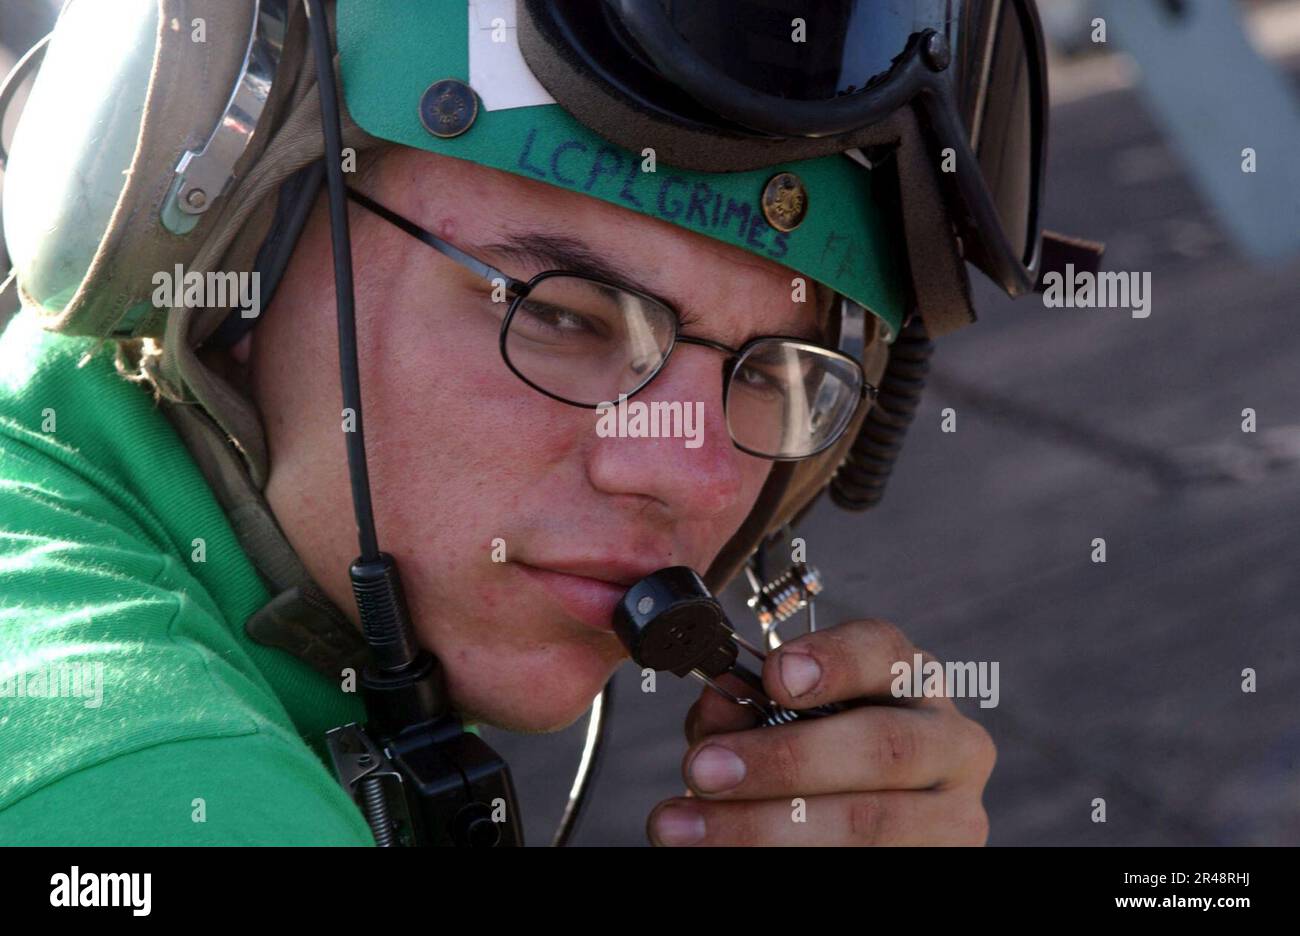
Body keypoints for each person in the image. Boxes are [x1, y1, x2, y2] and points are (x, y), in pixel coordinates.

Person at [0, 0, 1079, 845]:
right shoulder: (139, 782)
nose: (697, 478)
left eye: (774, 374)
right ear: (229, 258)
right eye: (562, 315)